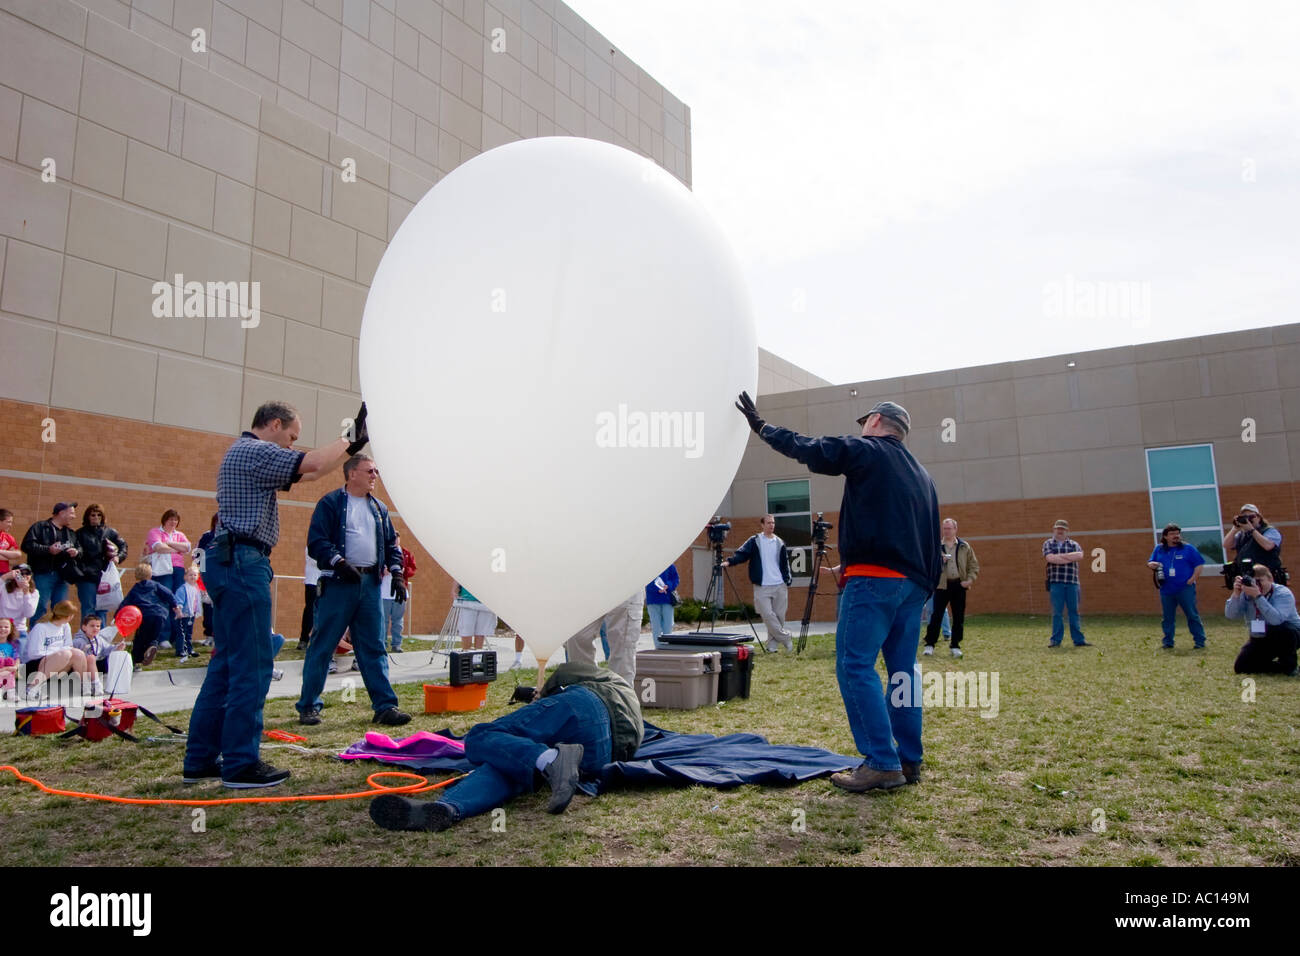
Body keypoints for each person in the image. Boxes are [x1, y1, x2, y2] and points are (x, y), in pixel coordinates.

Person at [735, 392, 940, 792]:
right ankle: (908, 759)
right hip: (914, 587)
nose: (861, 426)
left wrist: (763, 428)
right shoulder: (922, 475)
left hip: (874, 581)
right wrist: (923, 586)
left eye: (866, 421)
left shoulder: (870, 451)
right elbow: (927, 538)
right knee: (903, 673)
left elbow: (813, 449)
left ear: (878, 421)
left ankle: (882, 762)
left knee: (854, 665)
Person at [182, 399, 362, 790]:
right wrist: (349, 441)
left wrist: (348, 446)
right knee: (254, 664)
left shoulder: (242, 454)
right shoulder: (254, 451)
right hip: (243, 563)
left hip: (231, 562)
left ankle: (199, 760)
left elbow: (309, 471)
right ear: (274, 424)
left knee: (227, 665)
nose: (291, 444)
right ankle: (242, 764)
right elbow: (312, 465)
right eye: (291, 436)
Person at [368, 660, 643, 832]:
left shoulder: (593, 679)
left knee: (481, 735)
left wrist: (540, 695)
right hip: (600, 755)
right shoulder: (629, 710)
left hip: (585, 707)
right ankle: (447, 809)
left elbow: (564, 676)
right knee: (511, 764)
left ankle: (549, 759)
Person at [296, 453, 411, 728]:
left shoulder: (380, 509)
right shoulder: (331, 503)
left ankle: (385, 706)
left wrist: (396, 574)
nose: (375, 475)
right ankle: (309, 706)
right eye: (370, 470)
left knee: (373, 646)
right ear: (352, 474)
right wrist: (338, 562)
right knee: (323, 645)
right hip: (338, 583)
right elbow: (317, 541)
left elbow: (392, 546)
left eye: (376, 471)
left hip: (370, 584)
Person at [724, 515, 794, 652]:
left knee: (779, 617)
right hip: (762, 585)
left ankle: (772, 646)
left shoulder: (779, 542)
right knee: (767, 614)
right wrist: (729, 561)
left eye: (773, 523)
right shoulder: (755, 540)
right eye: (768, 523)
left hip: (779, 584)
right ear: (762, 525)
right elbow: (742, 554)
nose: (771, 525)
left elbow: (785, 563)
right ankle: (786, 638)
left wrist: (787, 579)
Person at [1225, 564, 1300, 675]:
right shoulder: (1246, 593)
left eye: (1260, 580)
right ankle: (1281, 667)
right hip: (1260, 635)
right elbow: (1231, 615)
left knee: (1283, 630)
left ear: (1271, 579)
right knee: (1241, 667)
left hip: (1289, 634)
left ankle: (1290, 666)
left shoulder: (1283, 593)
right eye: (1253, 581)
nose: (1256, 584)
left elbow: (1276, 620)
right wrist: (1236, 594)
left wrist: (1258, 597)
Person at [923, 518, 980, 658]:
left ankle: (955, 645)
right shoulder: (937, 547)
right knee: (936, 615)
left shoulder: (964, 546)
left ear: (955, 529)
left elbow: (974, 565)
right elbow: (928, 565)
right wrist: (939, 562)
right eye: (945, 528)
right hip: (942, 585)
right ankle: (930, 644)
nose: (947, 531)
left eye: (949, 528)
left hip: (959, 585)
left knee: (958, 616)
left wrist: (969, 580)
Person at [1147, 523, 1207, 650]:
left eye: (1177, 533)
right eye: (1172, 534)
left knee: (1192, 615)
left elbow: (1199, 564)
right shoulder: (1159, 549)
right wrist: (1152, 564)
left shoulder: (1188, 548)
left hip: (1185, 588)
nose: (1176, 536)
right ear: (1165, 536)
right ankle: (1168, 642)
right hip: (1166, 589)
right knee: (1168, 617)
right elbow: (1150, 562)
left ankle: (1200, 641)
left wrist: (1193, 579)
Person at [20, 502, 80, 625]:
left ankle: (56, 639)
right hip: (43, 574)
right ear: (61, 513)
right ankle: (35, 638)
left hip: (63, 576)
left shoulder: (70, 533)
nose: (74, 516)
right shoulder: (40, 527)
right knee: (40, 606)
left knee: (62, 608)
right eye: (72, 513)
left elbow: (80, 548)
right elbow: (27, 545)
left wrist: (76, 552)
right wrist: (48, 550)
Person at [23, 600, 97, 699]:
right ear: (69, 616)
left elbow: (68, 646)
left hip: (59, 662)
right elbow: (33, 654)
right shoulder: (40, 627)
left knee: (78, 653)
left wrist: (60, 652)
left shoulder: (65, 626)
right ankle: (32, 687)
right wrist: (58, 652)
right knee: (65, 654)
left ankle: (86, 686)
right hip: (34, 664)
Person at [565, 592, 644, 685]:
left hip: (626, 587)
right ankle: (587, 691)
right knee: (576, 637)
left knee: (622, 651)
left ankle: (620, 696)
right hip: (591, 586)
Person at [73, 504, 128, 625]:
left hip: (105, 576)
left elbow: (123, 546)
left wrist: (118, 557)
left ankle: (100, 640)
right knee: (88, 608)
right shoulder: (80, 534)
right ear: (87, 516)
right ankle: (87, 638)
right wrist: (80, 572)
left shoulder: (110, 532)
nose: (96, 517)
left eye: (99, 515)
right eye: (93, 515)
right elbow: (77, 553)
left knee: (102, 609)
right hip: (86, 576)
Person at [120, 563, 182, 670]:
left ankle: (137, 662)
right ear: (150, 575)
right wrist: (176, 607)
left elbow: (125, 603)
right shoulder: (156, 585)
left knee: (140, 639)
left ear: (136, 575)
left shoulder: (135, 589)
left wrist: (118, 615)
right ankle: (152, 645)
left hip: (144, 616)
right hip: (160, 615)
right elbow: (169, 594)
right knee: (153, 636)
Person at [145, 510, 191, 651]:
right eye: (170, 519)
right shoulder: (154, 532)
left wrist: (169, 543)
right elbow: (158, 547)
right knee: (164, 601)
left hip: (178, 569)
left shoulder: (180, 534)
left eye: (176, 520)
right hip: (162, 570)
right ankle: (163, 637)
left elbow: (188, 547)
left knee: (177, 602)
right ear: (164, 520)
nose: (173, 522)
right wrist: (177, 549)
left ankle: (177, 636)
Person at [1044, 519, 1091, 648]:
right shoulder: (1048, 543)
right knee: (1057, 613)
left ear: (1067, 531)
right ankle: (1055, 640)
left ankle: (1079, 640)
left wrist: (1058, 557)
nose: (1060, 531)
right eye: (1057, 528)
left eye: (1062, 529)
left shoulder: (1074, 544)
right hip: (1056, 583)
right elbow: (1049, 558)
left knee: (1074, 612)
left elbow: (1080, 556)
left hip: (1072, 583)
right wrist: (1069, 557)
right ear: (1054, 530)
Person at [1223, 504, 1283, 584]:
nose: (1248, 520)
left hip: (1266, 578)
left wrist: (1252, 530)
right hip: (1247, 578)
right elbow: (1226, 545)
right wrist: (1235, 528)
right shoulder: (1242, 535)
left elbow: (1268, 546)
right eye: (1244, 517)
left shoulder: (1270, 531)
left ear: (1259, 518)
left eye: (1251, 517)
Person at [72, 613, 124, 686]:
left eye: (98, 626)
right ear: (84, 627)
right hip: (83, 668)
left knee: (116, 657)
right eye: (92, 626)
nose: (95, 628)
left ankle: (116, 682)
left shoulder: (99, 639)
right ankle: (93, 684)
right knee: (90, 658)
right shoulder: (78, 641)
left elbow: (107, 649)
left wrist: (117, 647)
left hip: (96, 665)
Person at [0, 564, 39, 652]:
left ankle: (21, 666)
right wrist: (5, 577)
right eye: (21, 573)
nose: (24, 576)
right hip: (2, 628)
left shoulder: (34, 593)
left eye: (27, 573)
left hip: (19, 630)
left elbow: (29, 614)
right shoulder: (4, 587)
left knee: (21, 660)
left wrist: (26, 594)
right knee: (3, 657)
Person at [381, 532, 409, 653]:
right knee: (384, 620)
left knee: (398, 620)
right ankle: (382, 643)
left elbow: (411, 568)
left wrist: (403, 571)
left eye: (397, 539)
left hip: (399, 591)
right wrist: (383, 571)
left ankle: (397, 644)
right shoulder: (382, 552)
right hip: (384, 593)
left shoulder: (405, 553)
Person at [453, 582, 497, 651]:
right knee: (466, 630)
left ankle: (477, 657)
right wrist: (454, 588)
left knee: (481, 632)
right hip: (467, 599)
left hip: (485, 599)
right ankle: (466, 655)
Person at [195, 513, 218, 643]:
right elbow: (198, 554)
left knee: (220, 606)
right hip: (208, 575)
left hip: (224, 576)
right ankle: (209, 634)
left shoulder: (230, 536)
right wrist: (203, 571)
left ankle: (219, 634)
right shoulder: (207, 536)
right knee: (208, 606)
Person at [645, 564, 680, 649]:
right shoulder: (648, 566)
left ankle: (667, 648)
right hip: (653, 600)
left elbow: (676, 579)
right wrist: (657, 589)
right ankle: (658, 648)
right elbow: (645, 581)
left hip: (667, 600)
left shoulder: (670, 565)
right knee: (656, 627)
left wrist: (668, 586)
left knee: (668, 626)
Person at [175, 565, 203, 662]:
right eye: (190, 575)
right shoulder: (183, 589)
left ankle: (189, 649)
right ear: (185, 577)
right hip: (183, 614)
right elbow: (179, 601)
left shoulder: (196, 589)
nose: (192, 577)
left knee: (189, 633)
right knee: (182, 633)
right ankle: (180, 650)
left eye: (195, 575)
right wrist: (179, 610)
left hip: (191, 614)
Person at [0, 508, 23, 574]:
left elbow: (17, 554)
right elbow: (12, 557)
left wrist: (0, 551)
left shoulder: (8, 537)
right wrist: (8, 556)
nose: (10, 525)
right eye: (8, 522)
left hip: (4, 574)